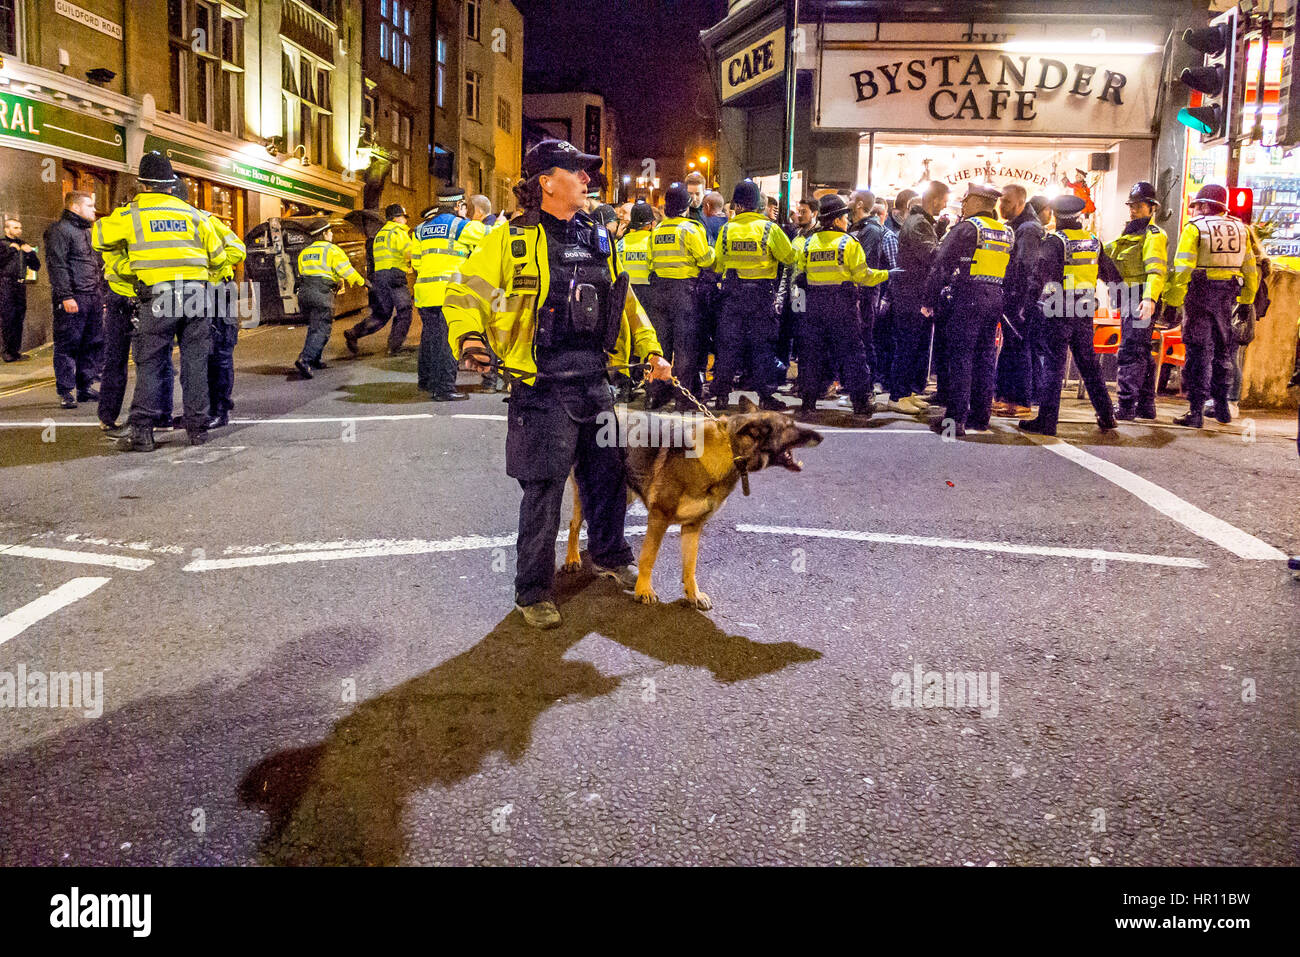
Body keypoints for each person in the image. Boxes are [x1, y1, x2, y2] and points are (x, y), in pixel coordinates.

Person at [443, 139, 670, 629]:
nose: (588, 180)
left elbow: (626, 303)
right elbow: (464, 293)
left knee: (607, 478)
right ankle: (533, 590)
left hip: (595, 379)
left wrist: (649, 349)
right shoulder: (508, 240)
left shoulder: (598, 237)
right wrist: (470, 338)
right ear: (545, 181)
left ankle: (610, 556)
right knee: (543, 489)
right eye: (577, 172)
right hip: (541, 385)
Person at [92, 151, 228, 450]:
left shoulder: (131, 215)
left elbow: (98, 237)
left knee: (151, 362)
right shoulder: (194, 215)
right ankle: (197, 429)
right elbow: (219, 257)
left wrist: (131, 267)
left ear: (143, 184)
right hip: (197, 293)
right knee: (195, 363)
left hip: (158, 295)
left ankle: (142, 431)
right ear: (171, 184)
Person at [1020, 194, 1119, 437]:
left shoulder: (1054, 241)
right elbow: (1110, 273)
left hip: (1058, 309)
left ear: (1055, 215)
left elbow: (1039, 276)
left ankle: (1047, 420)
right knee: (1089, 364)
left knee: (1054, 364)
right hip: (1084, 310)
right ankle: (1107, 415)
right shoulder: (1093, 241)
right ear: (1078, 216)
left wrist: (1028, 304)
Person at [1160, 184, 1257, 429]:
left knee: (1198, 353)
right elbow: (1250, 269)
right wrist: (1246, 300)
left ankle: (1195, 411)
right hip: (1229, 296)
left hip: (1200, 294)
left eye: (1196, 206)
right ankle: (1222, 406)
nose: (1194, 211)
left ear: (1204, 205)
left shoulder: (1195, 229)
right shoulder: (1240, 229)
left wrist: (1172, 302)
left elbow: (1182, 270)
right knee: (1224, 352)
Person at [921, 184, 1013, 437]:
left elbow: (941, 264)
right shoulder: (1005, 232)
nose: (962, 204)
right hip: (995, 298)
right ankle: (981, 417)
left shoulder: (966, 228)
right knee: (985, 359)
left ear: (978, 201)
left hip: (967, 297)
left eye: (966, 199)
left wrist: (929, 299)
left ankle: (955, 419)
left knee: (960, 358)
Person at [794, 194, 890, 417]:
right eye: (844, 218)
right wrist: (887, 274)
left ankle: (808, 402)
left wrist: (800, 311)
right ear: (837, 220)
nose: (847, 221)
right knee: (853, 356)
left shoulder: (808, 244)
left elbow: (800, 276)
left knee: (812, 356)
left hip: (813, 308)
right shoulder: (848, 243)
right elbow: (864, 276)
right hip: (841, 308)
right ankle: (861, 404)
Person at [711, 179, 798, 412]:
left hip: (732, 295)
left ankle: (721, 396)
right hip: (761, 295)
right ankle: (765, 396)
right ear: (758, 204)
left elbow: (718, 265)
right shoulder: (769, 228)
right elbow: (789, 257)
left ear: (737, 205)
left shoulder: (727, 229)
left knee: (728, 345)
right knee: (762, 347)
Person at [644, 182, 714, 409]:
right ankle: (684, 399)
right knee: (685, 347)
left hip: (658, 291)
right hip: (684, 292)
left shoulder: (657, 230)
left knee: (660, 345)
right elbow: (706, 260)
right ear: (686, 206)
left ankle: (655, 395)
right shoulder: (691, 228)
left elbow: (649, 261)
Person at [1105, 181, 1168, 421]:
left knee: (1131, 350)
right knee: (1141, 351)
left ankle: (1127, 406)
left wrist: (1150, 298)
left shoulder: (1153, 235)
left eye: (1139, 206)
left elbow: (1156, 271)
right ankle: (1145, 406)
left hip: (1141, 297)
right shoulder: (1131, 233)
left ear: (1152, 208)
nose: (1133, 210)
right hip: (1132, 296)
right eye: (1132, 205)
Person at [410, 190, 479, 401]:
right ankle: (445, 389)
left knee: (430, 338)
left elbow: (416, 262)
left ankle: (426, 381)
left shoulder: (421, 229)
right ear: (458, 206)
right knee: (449, 341)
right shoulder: (460, 226)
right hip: (449, 293)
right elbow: (490, 238)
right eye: (464, 206)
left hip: (424, 293)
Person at [892, 180, 949, 414]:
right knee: (908, 345)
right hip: (911, 294)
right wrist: (950, 244)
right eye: (943, 202)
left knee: (915, 346)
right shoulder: (918, 224)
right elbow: (932, 255)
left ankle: (907, 392)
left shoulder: (922, 222)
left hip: (916, 293)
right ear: (934, 200)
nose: (944, 207)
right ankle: (898, 396)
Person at [44, 191, 104, 409]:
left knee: (92, 342)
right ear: (75, 207)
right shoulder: (59, 230)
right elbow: (57, 265)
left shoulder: (88, 231)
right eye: (90, 206)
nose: (94, 210)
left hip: (93, 295)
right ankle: (66, 390)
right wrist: (65, 296)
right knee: (68, 343)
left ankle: (85, 386)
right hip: (73, 296)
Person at [293, 221, 367, 379]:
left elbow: (301, 272)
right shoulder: (332, 250)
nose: (332, 234)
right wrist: (363, 282)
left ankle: (315, 359)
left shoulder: (304, 252)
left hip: (305, 293)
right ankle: (305, 359)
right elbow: (347, 271)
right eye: (330, 232)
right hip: (321, 292)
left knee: (315, 326)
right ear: (324, 234)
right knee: (322, 329)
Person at [992, 184, 1039, 417]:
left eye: (1007, 202)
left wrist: (1020, 302)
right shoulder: (1017, 226)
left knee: (1019, 348)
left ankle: (1020, 400)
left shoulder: (1028, 229)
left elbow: (1025, 268)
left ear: (1021, 203)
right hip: (1012, 297)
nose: (1001, 206)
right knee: (1011, 348)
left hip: (1019, 300)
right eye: (1000, 201)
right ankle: (1004, 397)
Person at [344, 203, 413, 356]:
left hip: (380, 277)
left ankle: (354, 333)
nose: (405, 221)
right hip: (395, 276)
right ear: (396, 218)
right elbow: (409, 253)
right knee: (405, 311)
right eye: (403, 217)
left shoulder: (380, 235)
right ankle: (394, 346)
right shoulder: (399, 232)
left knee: (382, 313)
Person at [204, 213, 246, 429]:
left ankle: (220, 410)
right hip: (195, 292)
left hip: (218, 291)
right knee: (201, 355)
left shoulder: (207, 220)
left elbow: (238, 249)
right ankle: (205, 408)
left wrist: (212, 265)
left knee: (220, 352)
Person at [1, 216, 39, 362]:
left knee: (19, 317)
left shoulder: (24, 245)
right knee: (8, 317)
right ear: (7, 229)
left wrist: (30, 253)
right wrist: (10, 251)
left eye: (20, 227)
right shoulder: (2, 244)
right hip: (6, 284)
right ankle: (7, 351)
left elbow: (36, 266)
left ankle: (15, 350)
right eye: (15, 227)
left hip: (20, 284)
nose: (19, 230)